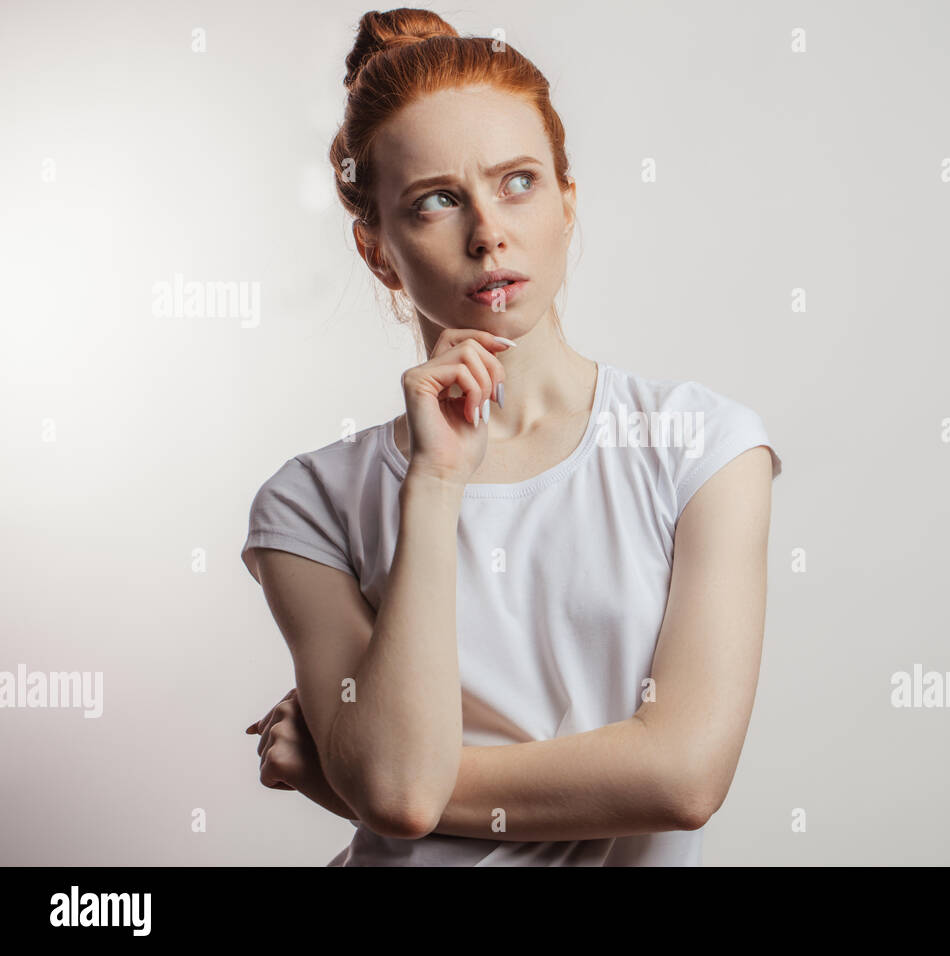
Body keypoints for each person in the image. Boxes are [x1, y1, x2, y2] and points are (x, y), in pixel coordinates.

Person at [240, 7, 782, 866]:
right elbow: (398, 795)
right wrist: (435, 480)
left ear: (568, 202)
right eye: (437, 201)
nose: (488, 231)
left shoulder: (702, 447)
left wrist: (357, 778)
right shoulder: (308, 504)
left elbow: (683, 778)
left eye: (519, 182)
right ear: (376, 248)